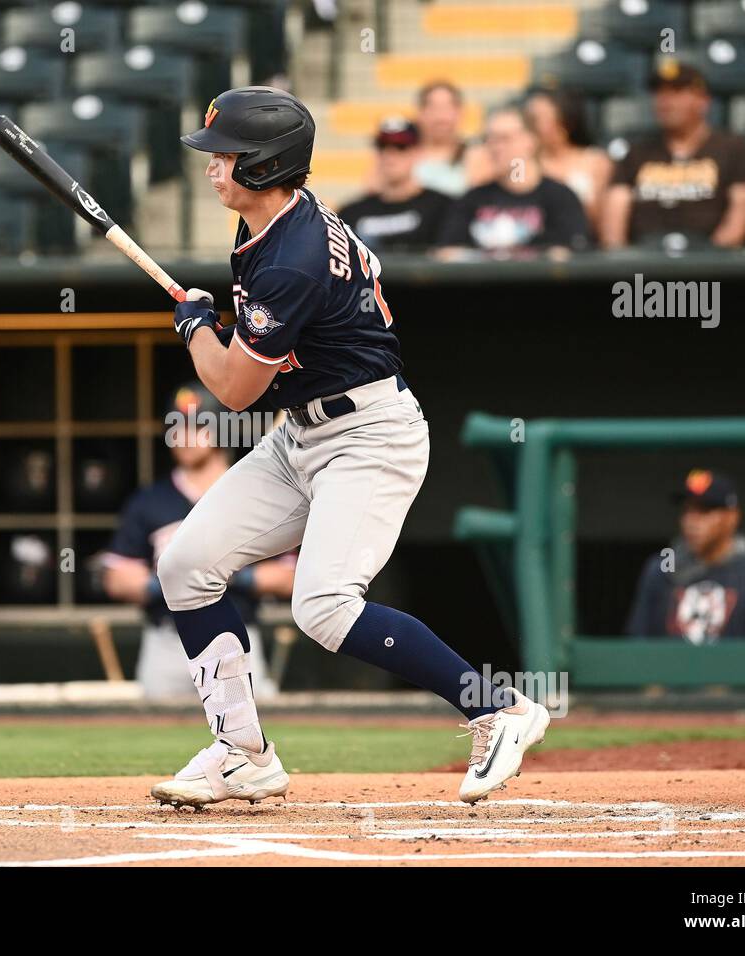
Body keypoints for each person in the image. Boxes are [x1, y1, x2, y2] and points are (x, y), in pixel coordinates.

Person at [153, 86, 549, 809]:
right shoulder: (271, 224)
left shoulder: (291, 256)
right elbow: (269, 376)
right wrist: (217, 325)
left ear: (268, 165)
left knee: (325, 607)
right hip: (303, 432)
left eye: (227, 158)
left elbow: (235, 390)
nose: (212, 169)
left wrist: (193, 329)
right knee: (185, 565)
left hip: (368, 438)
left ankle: (498, 710)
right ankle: (242, 752)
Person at [101, 382, 294, 699]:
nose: (184, 437)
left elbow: (289, 576)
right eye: (176, 427)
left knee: (247, 738)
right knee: (153, 736)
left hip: (237, 638)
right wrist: (169, 580)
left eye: (198, 426)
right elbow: (117, 578)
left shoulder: (253, 495)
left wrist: (229, 574)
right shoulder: (150, 501)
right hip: (168, 642)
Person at [601, 58, 745, 249]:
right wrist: (622, 262)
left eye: (676, 92)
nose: (666, 101)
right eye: (660, 93)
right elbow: (615, 213)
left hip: (712, 263)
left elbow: (740, 213)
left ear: (703, 101)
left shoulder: (734, 149)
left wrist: (712, 264)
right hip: (645, 263)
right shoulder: (636, 152)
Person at [436, 105, 591, 257]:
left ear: (531, 141)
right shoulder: (472, 199)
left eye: (505, 138)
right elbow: (447, 253)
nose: (496, 147)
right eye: (490, 139)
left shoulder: (560, 197)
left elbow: (569, 254)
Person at [625, 470, 745, 644]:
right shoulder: (663, 566)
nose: (692, 521)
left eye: (704, 511)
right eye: (687, 510)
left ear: (732, 517)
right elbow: (639, 642)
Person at [337, 118, 452, 253]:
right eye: (383, 146)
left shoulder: (443, 208)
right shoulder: (350, 214)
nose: (390, 154)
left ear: (418, 152)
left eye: (401, 147)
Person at [524, 87, 612, 228]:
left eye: (536, 120)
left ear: (564, 120)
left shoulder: (596, 160)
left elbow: (603, 220)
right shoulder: (520, 163)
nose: (531, 128)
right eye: (528, 121)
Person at [411, 81, 491, 197]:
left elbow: (517, 183)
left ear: (460, 113)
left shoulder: (476, 156)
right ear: (420, 113)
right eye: (433, 108)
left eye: (447, 108)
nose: (440, 117)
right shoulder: (403, 155)